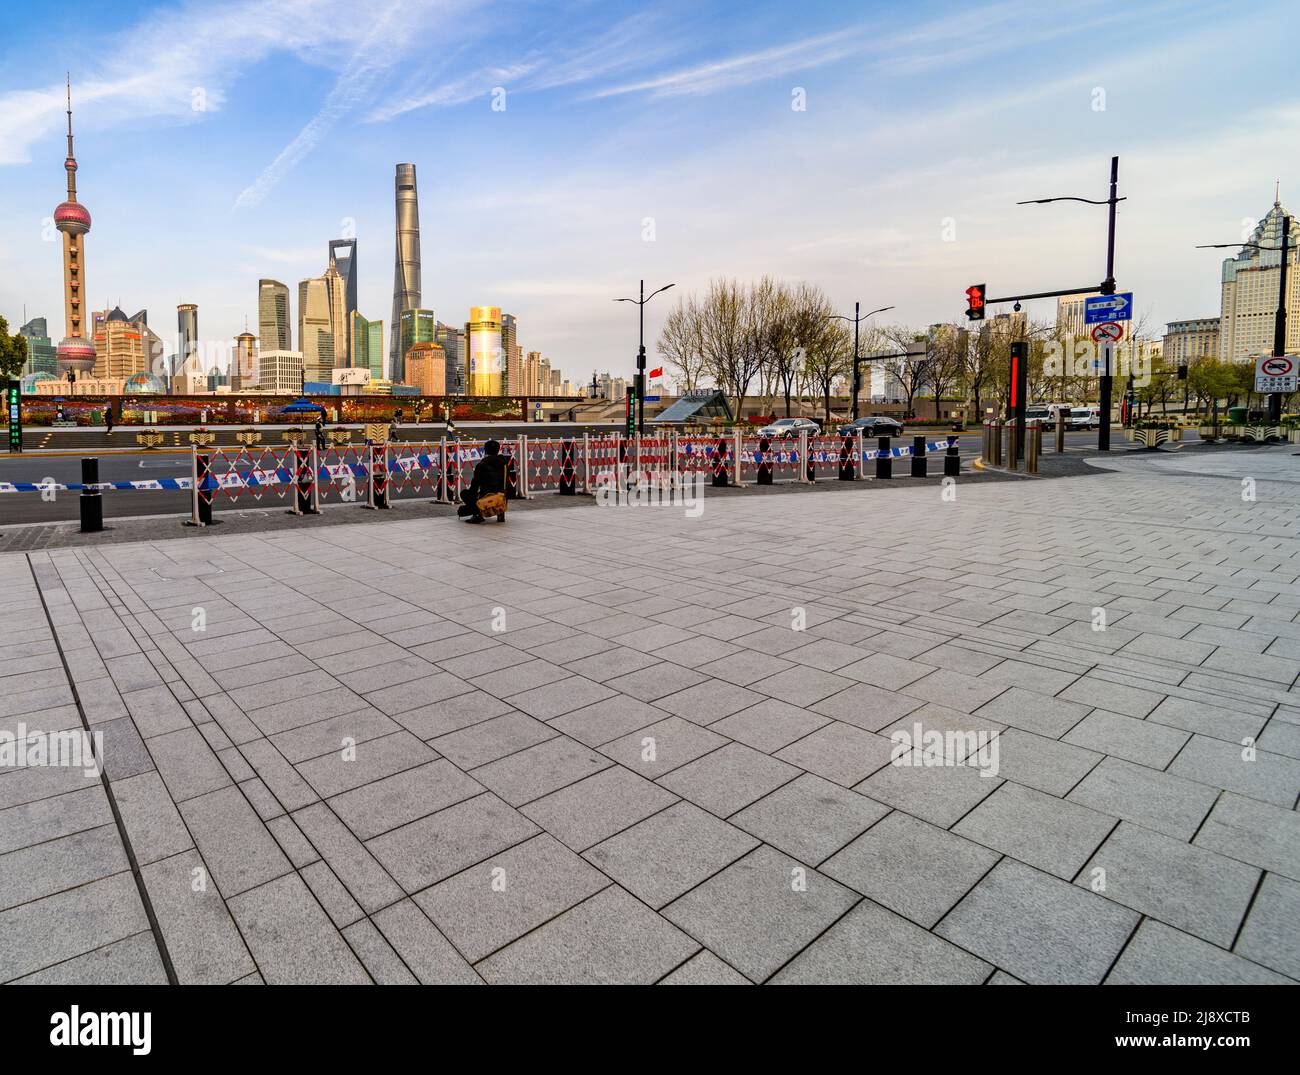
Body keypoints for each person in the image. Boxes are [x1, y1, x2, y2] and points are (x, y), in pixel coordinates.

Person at [457, 439, 508, 523]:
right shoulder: (504, 464)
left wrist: (470, 501)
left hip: (486, 498)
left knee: (465, 493)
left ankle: (477, 514)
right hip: (501, 497)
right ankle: (501, 515)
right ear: (498, 450)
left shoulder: (481, 465)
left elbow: (475, 486)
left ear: (485, 451)